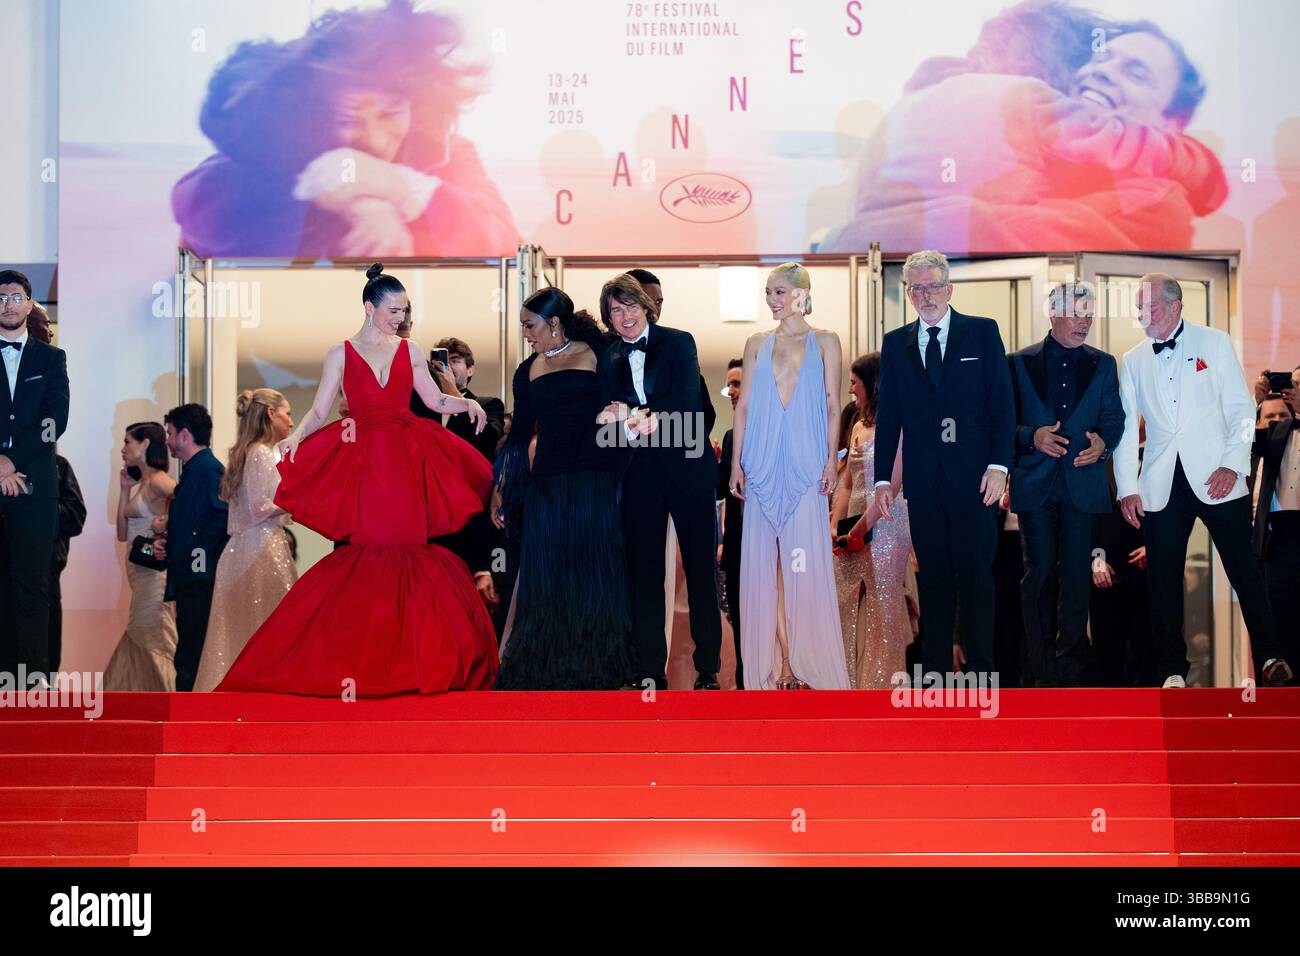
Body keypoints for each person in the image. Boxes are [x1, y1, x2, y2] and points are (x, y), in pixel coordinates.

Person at [218, 263, 497, 695]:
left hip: (404, 463)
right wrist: (294, 438)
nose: (401, 319)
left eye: (404, 311)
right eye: (393, 310)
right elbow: (318, 410)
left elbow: (434, 398)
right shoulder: (340, 353)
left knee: (409, 552)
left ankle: (412, 665)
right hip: (367, 464)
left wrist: (467, 406)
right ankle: (367, 665)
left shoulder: (412, 350)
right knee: (371, 554)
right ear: (370, 307)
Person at [824, 4, 1226, 254]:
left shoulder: (1154, 203)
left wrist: (861, 236)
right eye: (1100, 58)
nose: (1102, 72)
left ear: (1172, 123)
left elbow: (1000, 247)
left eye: (1135, 73)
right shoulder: (1033, 114)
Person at [172, 0, 517, 259]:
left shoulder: (449, 153)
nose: (375, 139)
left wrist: (399, 185)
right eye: (348, 119)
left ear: (416, 103)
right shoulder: (282, 147)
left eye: (392, 113)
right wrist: (351, 199)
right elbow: (197, 209)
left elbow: (503, 241)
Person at [1113, 273, 1292, 687]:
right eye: (1139, 307)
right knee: (1162, 579)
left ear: (1176, 306)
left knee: (1245, 570)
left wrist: (1233, 465)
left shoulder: (1214, 342)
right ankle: (1171, 670)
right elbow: (1124, 429)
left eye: (1151, 306)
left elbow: (1244, 413)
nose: (1143, 314)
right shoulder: (1133, 359)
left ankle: (1270, 659)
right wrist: (1128, 488)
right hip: (1160, 482)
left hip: (1219, 477)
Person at [873, 250, 1015, 682]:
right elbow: (889, 416)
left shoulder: (982, 333)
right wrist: (882, 479)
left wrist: (998, 466)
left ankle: (982, 674)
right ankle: (934, 678)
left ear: (949, 288)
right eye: (916, 287)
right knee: (933, 580)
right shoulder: (895, 343)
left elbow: (1002, 406)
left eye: (933, 285)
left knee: (976, 578)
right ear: (909, 293)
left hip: (975, 481)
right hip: (923, 482)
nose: (925, 294)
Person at [489, 288, 633, 689]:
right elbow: (517, 437)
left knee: (593, 576)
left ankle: (596, 669)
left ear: (554, 322)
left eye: (530, 326)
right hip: (547, 487)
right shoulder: (527, 370)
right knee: (549, 578)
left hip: (594, 484)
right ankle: (549, 671)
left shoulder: (598, 355)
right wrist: (500, 487)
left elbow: (621, 417)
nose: (526, 335)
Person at [597, 274, 721, 690]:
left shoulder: (678, 341)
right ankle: (649, 670)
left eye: (631, 306)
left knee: (702, 570)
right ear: (608, 318)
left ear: (646, 307)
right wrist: (632, 422)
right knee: (644, 575)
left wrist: (630, 414)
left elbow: (686, 403)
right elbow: (603, 429)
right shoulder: (608, 358)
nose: (625, 316)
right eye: (615, 310)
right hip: (639, 477)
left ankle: (708, 670)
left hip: (688, 469)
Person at [730, 263, 849, 690]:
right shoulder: (756, 343)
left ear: (801, 294)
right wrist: (736, 465)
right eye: (768, 292)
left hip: (805, 466)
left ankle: (806, 666)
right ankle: (776, 669)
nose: (772, 300)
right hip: (762, 465)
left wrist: (829, 463)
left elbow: (835, 404)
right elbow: (742, 408)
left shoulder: (827, 342)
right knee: (766, 569)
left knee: (803, 569)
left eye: (779, 292)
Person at [1009, 282, 1125, 686]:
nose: (1085, 322)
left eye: (1090, 314)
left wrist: (1104, 443)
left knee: (1077, 576)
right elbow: (1001, 425)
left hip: (1082, 481)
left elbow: (1114, 418)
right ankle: (1039, 670)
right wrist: (1031, 436)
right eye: (1078, 313)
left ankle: (1071, 672)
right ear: (1054, 313)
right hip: (1035, 485)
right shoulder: (1018, 362)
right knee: (1038, 573)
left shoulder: (1105, 363)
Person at [194, 390, 298, 691]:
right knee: (268, 623)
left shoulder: (249, 452)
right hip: (261, 548)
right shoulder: (262, 453)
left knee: (240, 628)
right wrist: (297, 498)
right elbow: (259, 508)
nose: (290, 421)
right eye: (286, 413)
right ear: (270, 414)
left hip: (244, 548)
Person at [0, 270, 70, 684]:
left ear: (29, 304)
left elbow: (54, 420)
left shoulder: (51, 358)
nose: (7, 303)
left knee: (32, 583)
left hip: (33, 486)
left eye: (15, 296)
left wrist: (10, 463)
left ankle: (32, 678)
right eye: (1, 296)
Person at [832, 352, 913, 689]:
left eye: (854, 382)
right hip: (850, 526)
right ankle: (847, 680)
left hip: (887, 525)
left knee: (884, 605)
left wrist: (859, 530)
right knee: (844, 604)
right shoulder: (858, 425)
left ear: (871, 383)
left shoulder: (898, 423)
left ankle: (884, 685)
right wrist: (834, 524)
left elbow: (892, 485)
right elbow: (848, 480)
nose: (850, 389)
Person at [156, 405, 229, 692]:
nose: (168, 440)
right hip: (191, 573)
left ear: (184, 435)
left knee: (191, 648)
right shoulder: (196, 471)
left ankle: (188, 712)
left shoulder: (208, 470)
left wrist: (196, 553)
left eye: (170, 433)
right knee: (188, 646)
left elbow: (221, 516)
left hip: (199, 577)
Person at [102, 423, 179, 690]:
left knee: (152, 635)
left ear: (145, 444)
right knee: (143, 634)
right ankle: (145, 700)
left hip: (154, 577)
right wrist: (124, 488)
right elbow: (123, 533)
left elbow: (187, 500)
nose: (123, 449)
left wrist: (165, 524)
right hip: (139, 573)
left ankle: (167, 700)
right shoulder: (142, 483)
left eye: (127, 442)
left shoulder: (158, 479)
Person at [1251, 391, 1300, 684]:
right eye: (1270, 418)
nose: (1277, 423)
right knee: (1276, 628)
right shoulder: (1255, 454)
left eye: (1283, 417)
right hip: (1272, 542)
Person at [718, 357, 745, 686]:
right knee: (738, 614)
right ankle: (742, 683)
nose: (732, 391)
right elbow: (722, 488)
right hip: (737, 540)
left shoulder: (771, 428)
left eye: (737, 384)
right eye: (730, 386)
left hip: (768, 540)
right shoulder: (728, 436)